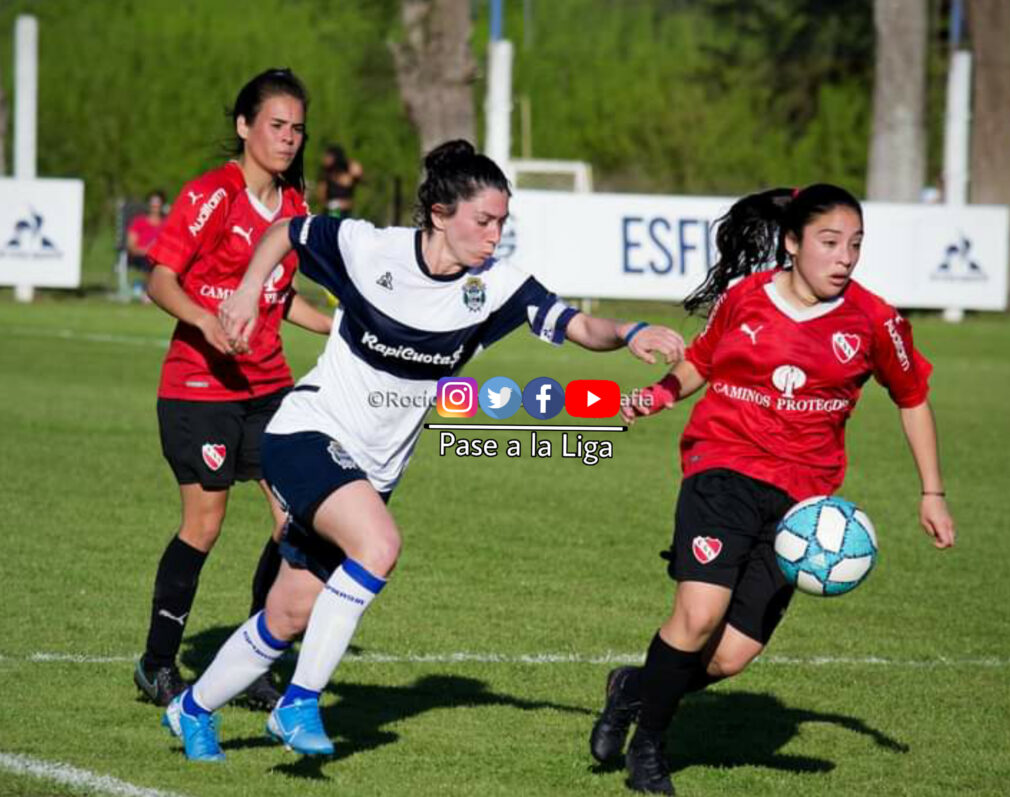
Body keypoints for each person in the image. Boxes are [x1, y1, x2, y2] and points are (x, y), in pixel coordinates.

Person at [158, 139, 687, 761]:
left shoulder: (496, 287)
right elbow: (286, 231)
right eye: (483, 221)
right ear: (440, 213)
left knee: (289, 613)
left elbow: (578, 326)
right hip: (307, 433)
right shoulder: (369, 249)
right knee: (379, 545)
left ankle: (189, 710)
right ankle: (298, 703)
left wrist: (628, 332)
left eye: (501, 224)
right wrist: (249, 292)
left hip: (372, 470)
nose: (494, 236)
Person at [588, 184, 957, 795]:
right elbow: (703, 360)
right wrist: (659, 394)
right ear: (792, 242)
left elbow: (912, 397)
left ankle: (634, 687)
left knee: (731, 656)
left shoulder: (875, 320)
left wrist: (932, 492)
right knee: (699, 614)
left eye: (856, 245)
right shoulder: (746, 297)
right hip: (723, 466)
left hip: (803, 503)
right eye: (830, 242)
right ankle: (649, 747)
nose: (845, 257)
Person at [134, 68, 332, 713]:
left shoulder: (294, 209)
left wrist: (338, 328)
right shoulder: (212, 195)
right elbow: (160, 281)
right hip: (199, 388)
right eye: (276, 126)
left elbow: (281, 298)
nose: (288, 139)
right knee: (206, 523)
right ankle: (158, 664)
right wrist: (204, 320)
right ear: (245, 126)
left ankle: (252, 662)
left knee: (293, 524)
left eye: (297, 129)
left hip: (270, 389)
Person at [126, 190, 167, 299]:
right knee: (149, 260)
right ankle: (149, 291)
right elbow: (131, 245)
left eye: (157, 204)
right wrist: (146, 250)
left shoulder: (167, 223)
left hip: (162, 256)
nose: (155, 207)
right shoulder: (138, 222)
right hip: (142, 256)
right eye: (152, 204)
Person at [315, 143, 362, 219]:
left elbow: (358, 172)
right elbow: (321, 195)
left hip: (346, 210)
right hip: (332, 209)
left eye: (328, 156)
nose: (325, 159)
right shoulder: (325, 174)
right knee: (333, 221)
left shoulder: (347, 171)